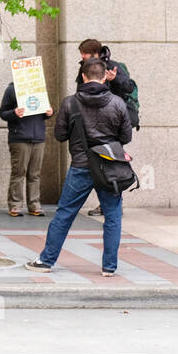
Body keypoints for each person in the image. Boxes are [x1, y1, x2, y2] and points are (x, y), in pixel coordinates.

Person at [26, 58, 133, 277]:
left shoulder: (69, 103)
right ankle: (109, 267)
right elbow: (126, 137)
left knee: (64, 214)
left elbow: (60, 135)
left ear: (83, 77)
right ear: (104, 77)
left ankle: (46, 261)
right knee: (112, 216)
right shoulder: (117, 103)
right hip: (109, 168)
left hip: (81, 166)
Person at [74, 38, 138, 218]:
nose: (82, 57)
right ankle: (106, 204)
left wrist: (115, 78)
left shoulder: (113, 67)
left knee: (112, 164)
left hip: (112, 123)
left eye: (84, 54)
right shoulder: (84, 68)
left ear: (95, 53)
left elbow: (129, 87)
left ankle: (113, 204)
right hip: (93, 122)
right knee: (96, 164)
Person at [0, 79, 53, 217]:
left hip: (38, 137)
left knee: (34, 174)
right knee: (19, 172)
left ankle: (34, 205)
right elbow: (2, 113)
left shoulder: (39, 90)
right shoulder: (11, 90)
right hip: (20, 137)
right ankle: (15, 205)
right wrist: (14, 113)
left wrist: (49, 112)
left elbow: (44, 112)